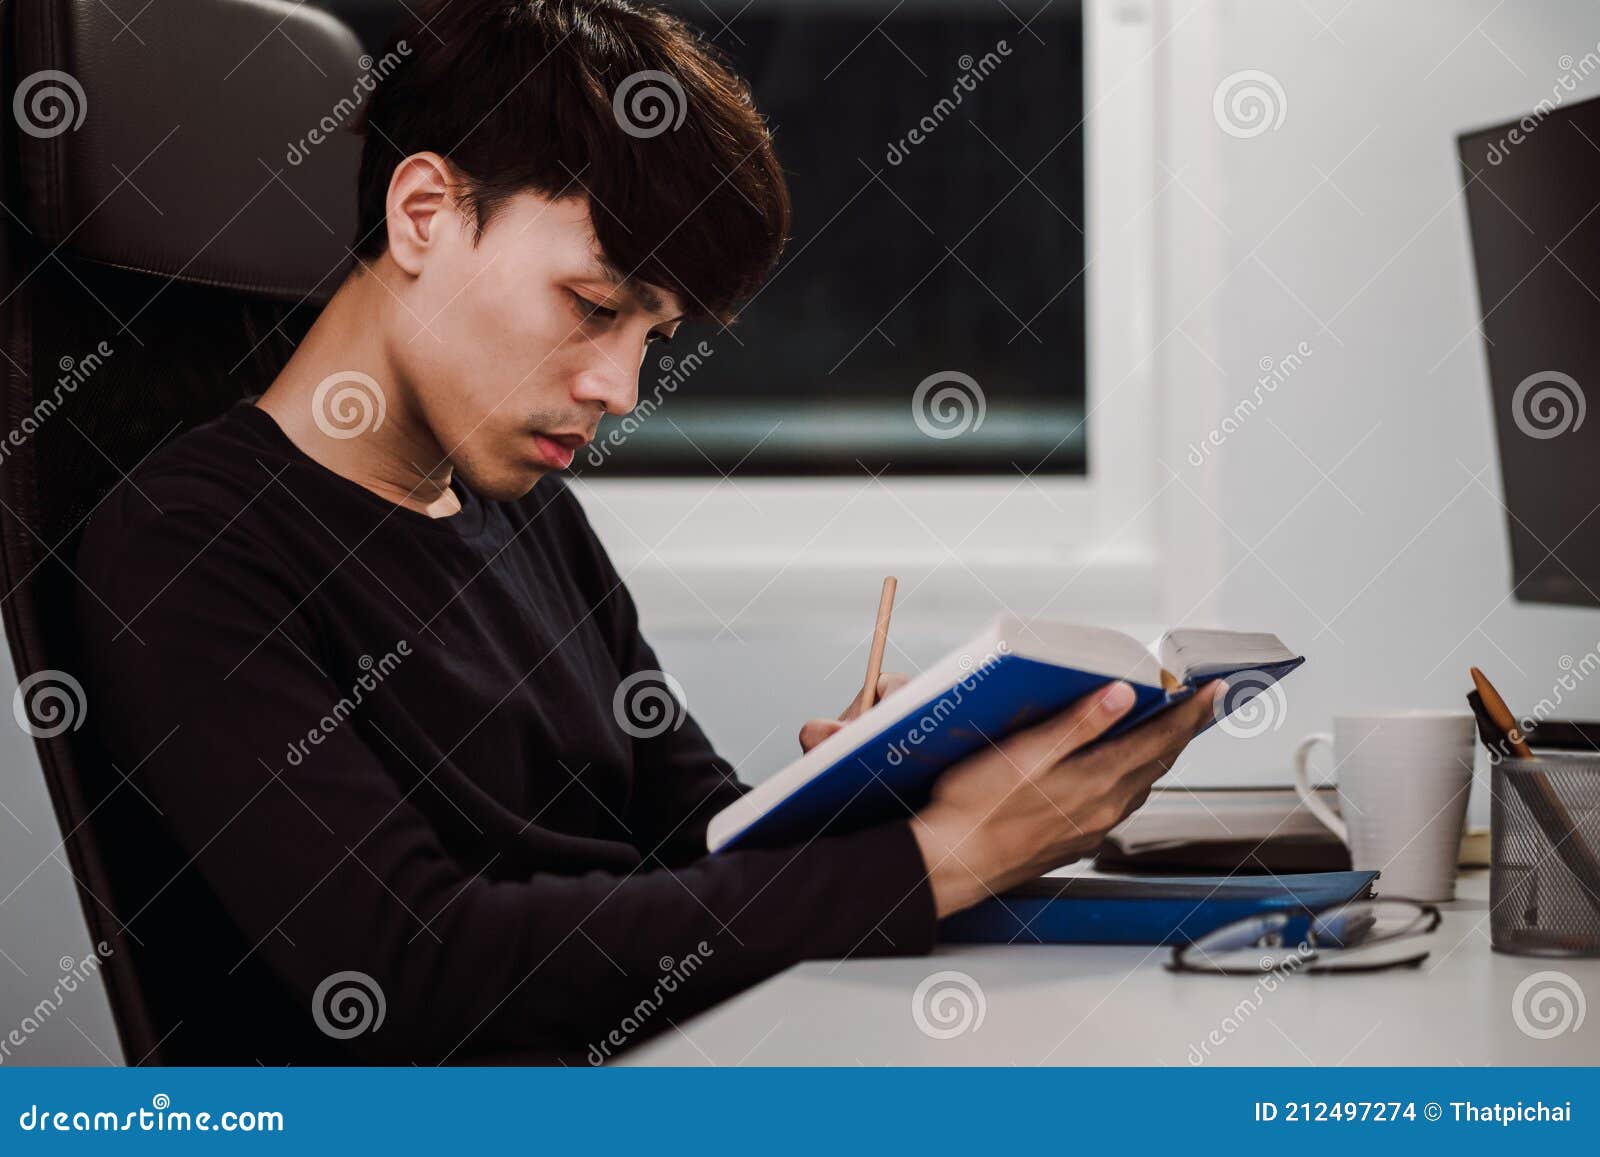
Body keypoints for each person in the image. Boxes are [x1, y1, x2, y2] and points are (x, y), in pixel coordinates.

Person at [73, 0, 1219, 1065]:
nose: (621, 385)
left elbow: (694, 844)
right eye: (594, 305)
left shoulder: (530, 517)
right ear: (424, 213)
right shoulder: (187, 544)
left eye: (653, 336)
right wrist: (932, 861)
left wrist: (875, 793)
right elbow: (409, 967)